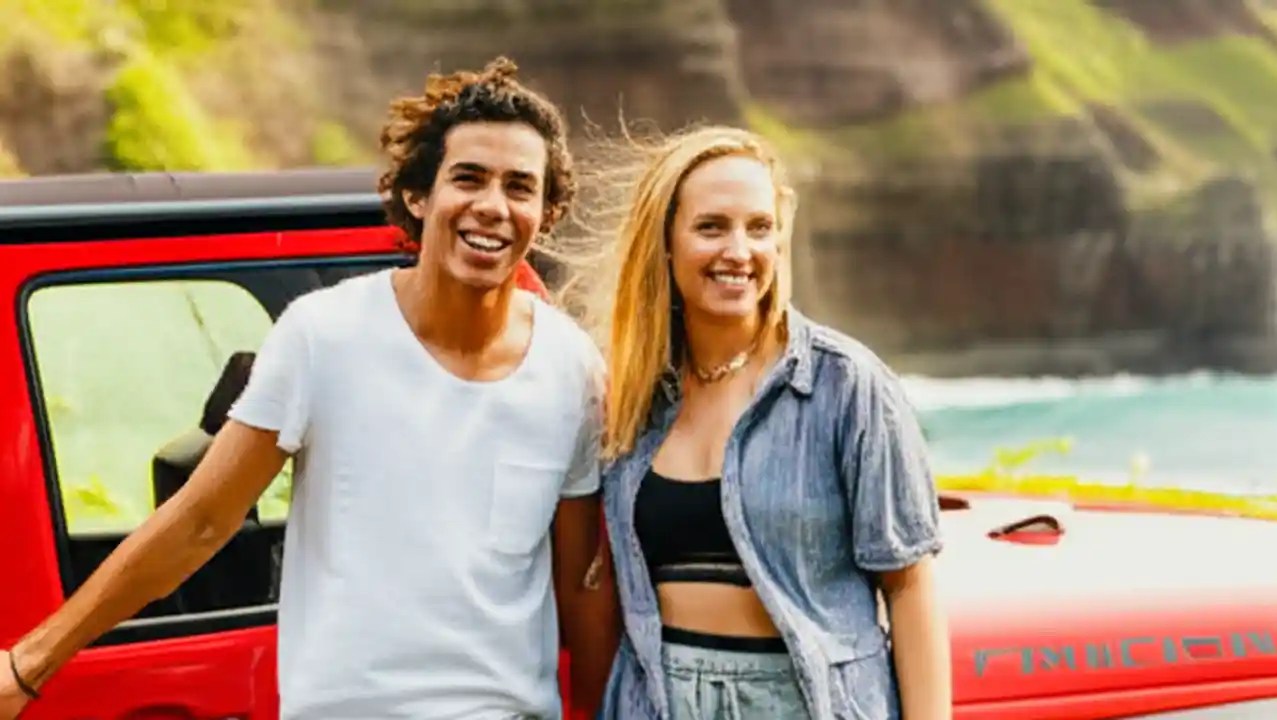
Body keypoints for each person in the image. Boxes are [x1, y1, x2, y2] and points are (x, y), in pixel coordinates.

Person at [0, 57, 619, 720]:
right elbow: (202, 520)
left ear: (546, 213)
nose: (492, 207)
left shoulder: (569, 368)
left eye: (519, 187)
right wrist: (27, 667)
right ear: (418, 195)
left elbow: (581, 582)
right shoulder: (325, 335)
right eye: (468, 178)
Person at [593, 126, 952, 719]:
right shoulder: (633, 393)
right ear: (665, 242)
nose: (739, 250)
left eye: (759, 228)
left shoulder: (845, 386)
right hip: (658, 700)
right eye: (712, 226)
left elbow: (910, 586)